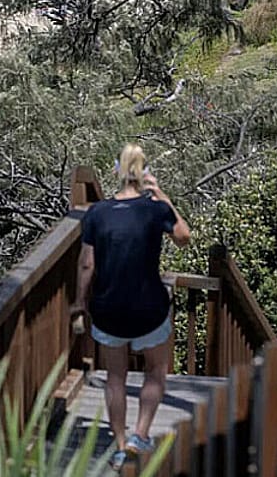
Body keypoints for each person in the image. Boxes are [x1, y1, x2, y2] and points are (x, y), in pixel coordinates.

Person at [71, 144, 191, 471]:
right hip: (149, 307)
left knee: (115, 377)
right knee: (155, 371)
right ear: (144, 171)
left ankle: (121, 445)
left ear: (117, 172)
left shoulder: (97, 213)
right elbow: (183, 237)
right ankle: (141, 435)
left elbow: (86, 265)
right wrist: (161, 194)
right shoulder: (156, 209)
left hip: (109, 310)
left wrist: (80, 303)